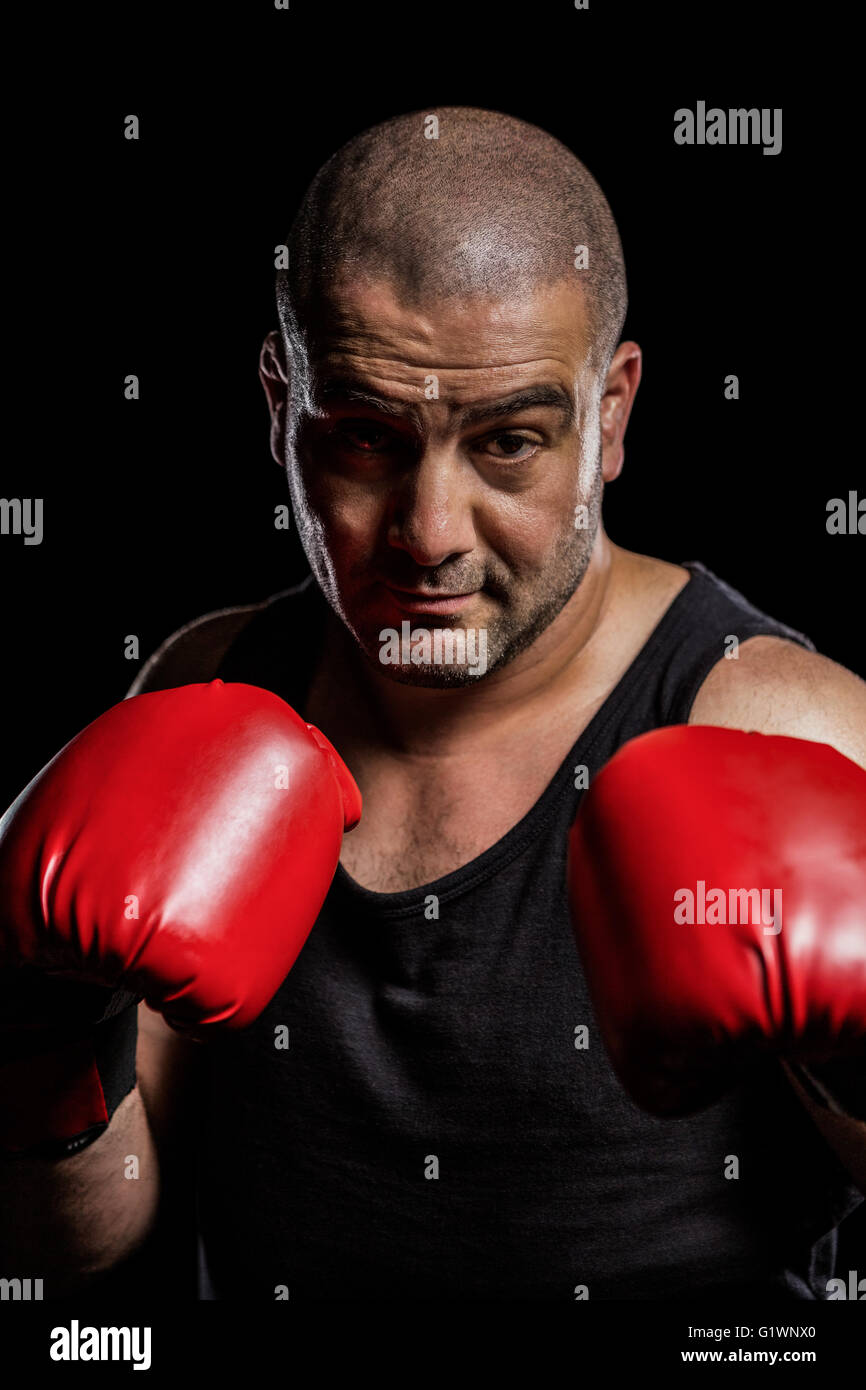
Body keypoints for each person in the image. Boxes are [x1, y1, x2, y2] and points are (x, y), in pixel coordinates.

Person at [1, 107, 864, 1301]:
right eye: (362, 438)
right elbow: (78, 1238)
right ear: (277, 404)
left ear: (609, 414)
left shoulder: (784, 727)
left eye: (508, 441)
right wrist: (44, 1029)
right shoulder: (213, 684)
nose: (429, 534)